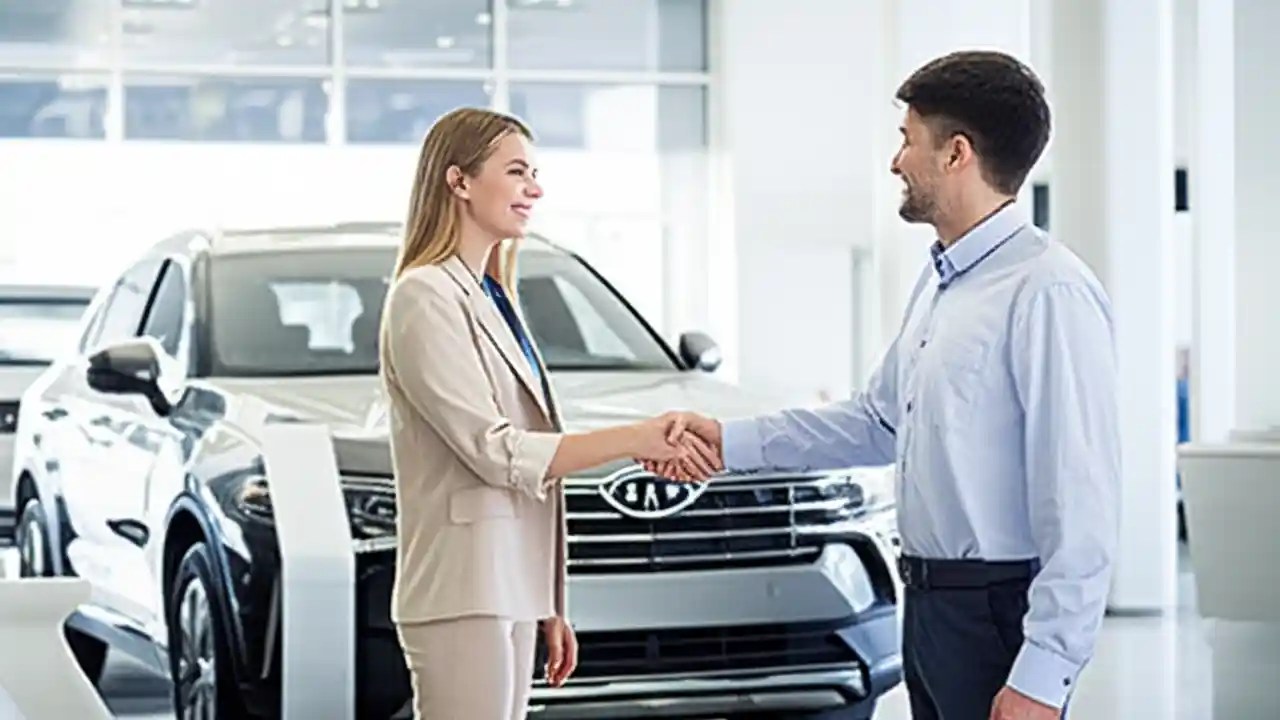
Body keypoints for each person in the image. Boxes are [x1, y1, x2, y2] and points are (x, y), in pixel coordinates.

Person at [649, 51, 1120, 720]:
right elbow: (877, 422)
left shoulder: (1049, 291)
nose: (895, 160)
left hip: (996, 613)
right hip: (928, 608)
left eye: (907, 139)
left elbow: (1082, 500)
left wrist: (1044, 675)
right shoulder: (942, 282)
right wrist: (726, 441)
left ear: (956, 153)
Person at [379, 107, 716, 719]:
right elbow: (496, 450)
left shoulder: (494, 295)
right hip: (463, 588)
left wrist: (548, 603)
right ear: (458, 181)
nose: (535, 188)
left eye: (534, 173)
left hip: (505, 587)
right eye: (517, 172)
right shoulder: (424, 296)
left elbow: (530, 463)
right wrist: (635, 437)